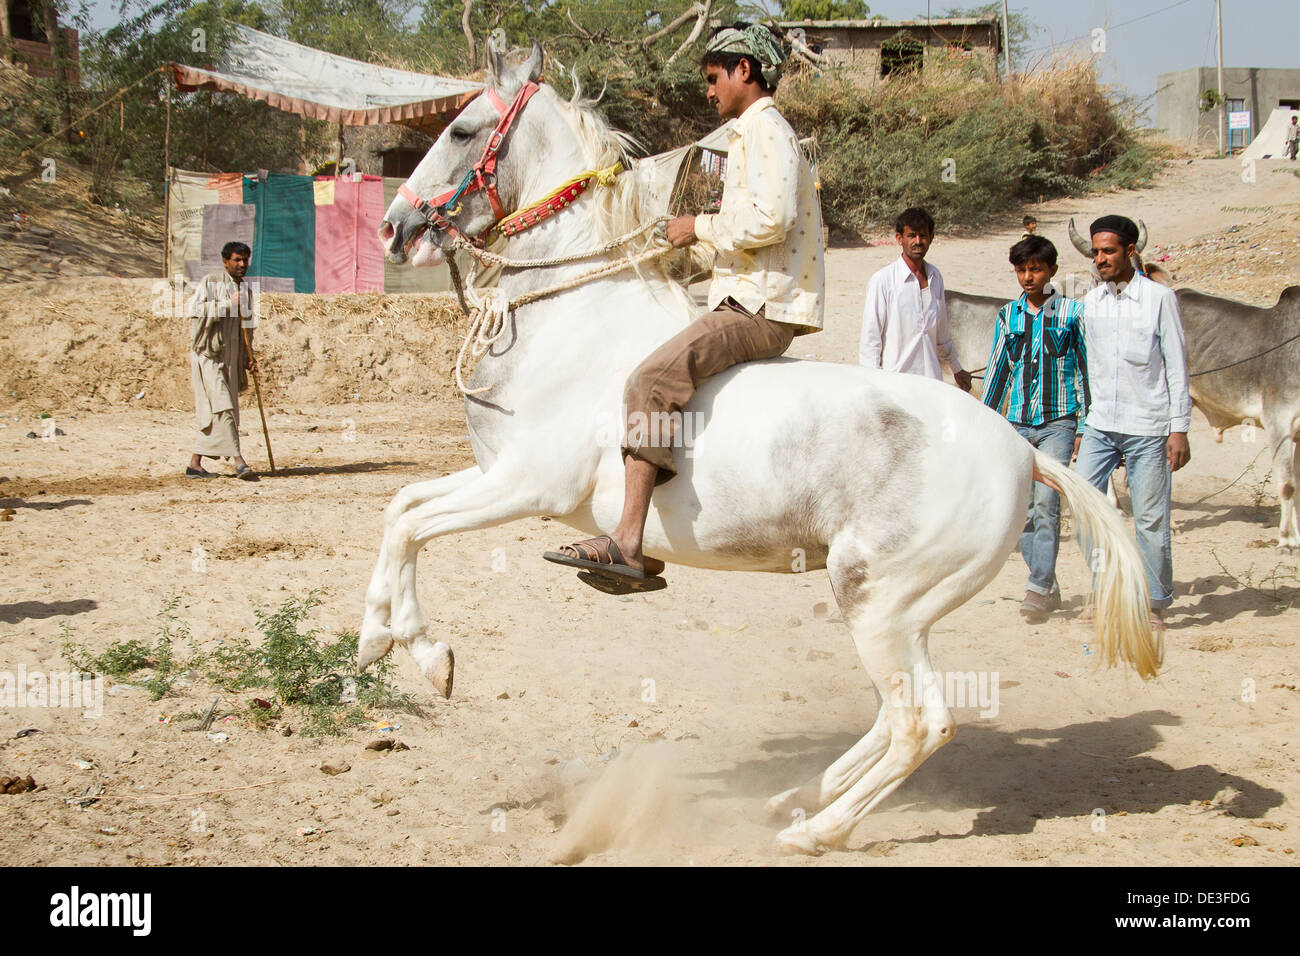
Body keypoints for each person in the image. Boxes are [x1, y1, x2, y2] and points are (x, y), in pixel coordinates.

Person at [544, 22, 823, 594]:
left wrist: (696, 227)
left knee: (650, 380)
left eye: (714, 77)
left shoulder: (766, 130)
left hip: (760, 305)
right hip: (748, 294)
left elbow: (772, 220)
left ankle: (627, 540)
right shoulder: (750, 134)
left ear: (745, 69)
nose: (710, 90)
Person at [1075, 215, 1191, 628]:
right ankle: (1105, 591)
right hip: (1101, 423)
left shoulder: (1160, 299)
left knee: (1150, 518)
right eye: (1096, 252)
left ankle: (1154, 602)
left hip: (1149, 425)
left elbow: (1177, 367)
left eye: (1109, 251)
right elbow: (1085, 369)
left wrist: (1180, 429)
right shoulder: (1090, 303)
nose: (1101, 259)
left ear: (1130, 251)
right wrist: (1080, 425)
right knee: (1086, 508)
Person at [982, 235, 1087, 620]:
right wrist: (985, 419)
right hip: (1017, 423)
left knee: (1048, 503)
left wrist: (1084, 426)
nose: (1028, 276)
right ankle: (1046, 583)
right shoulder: (1007, 315)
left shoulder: (1073, 314)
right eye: (1022, 270)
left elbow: (1086, 370)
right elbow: (997, 371)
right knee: (1022, 508)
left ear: (1052, 271)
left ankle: (1038, 587)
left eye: (1036, 269)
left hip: (1059, 420)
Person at [859, 207, 972, 391]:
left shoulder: (936, 277)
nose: (918, 242)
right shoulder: (883, 280)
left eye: (923, 236)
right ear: (899, 239)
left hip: (932, 384)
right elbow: (870, 342)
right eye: (911, 235)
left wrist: (957, 369)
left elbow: (942, 337)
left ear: (931, 237)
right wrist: (874, 388)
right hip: (895, 386)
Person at [186, 241, 258, 480]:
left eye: (245, 260)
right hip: (208, 356)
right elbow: (194, 310)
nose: (242, 265)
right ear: (225, 261)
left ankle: (194, 464)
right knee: (223, 405)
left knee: (217, 411)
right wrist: (228, 304)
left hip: (231, 358)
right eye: (237, 260)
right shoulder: (211, 282)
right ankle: (239, 462)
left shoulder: (246, 291)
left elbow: (247, 328)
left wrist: (249, 357)